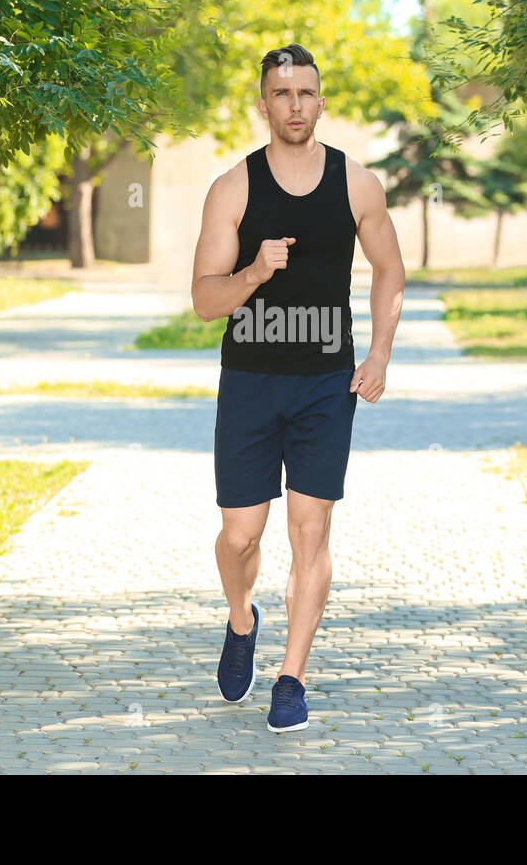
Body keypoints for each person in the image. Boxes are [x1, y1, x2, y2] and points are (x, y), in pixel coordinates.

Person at [190, 43, 405, 732]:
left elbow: (390, 269)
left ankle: (292, 678)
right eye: (281, 93)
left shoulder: (356, 184)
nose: (295, 105)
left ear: (320, 101)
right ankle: (241, 618)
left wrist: (379, 353)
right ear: (264, 104)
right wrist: (255, 271)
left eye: (305, 92)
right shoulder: (233, 189)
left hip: (324, 386)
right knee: (240, 536)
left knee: (311, 532)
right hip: (249, 383)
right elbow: (203, 301)